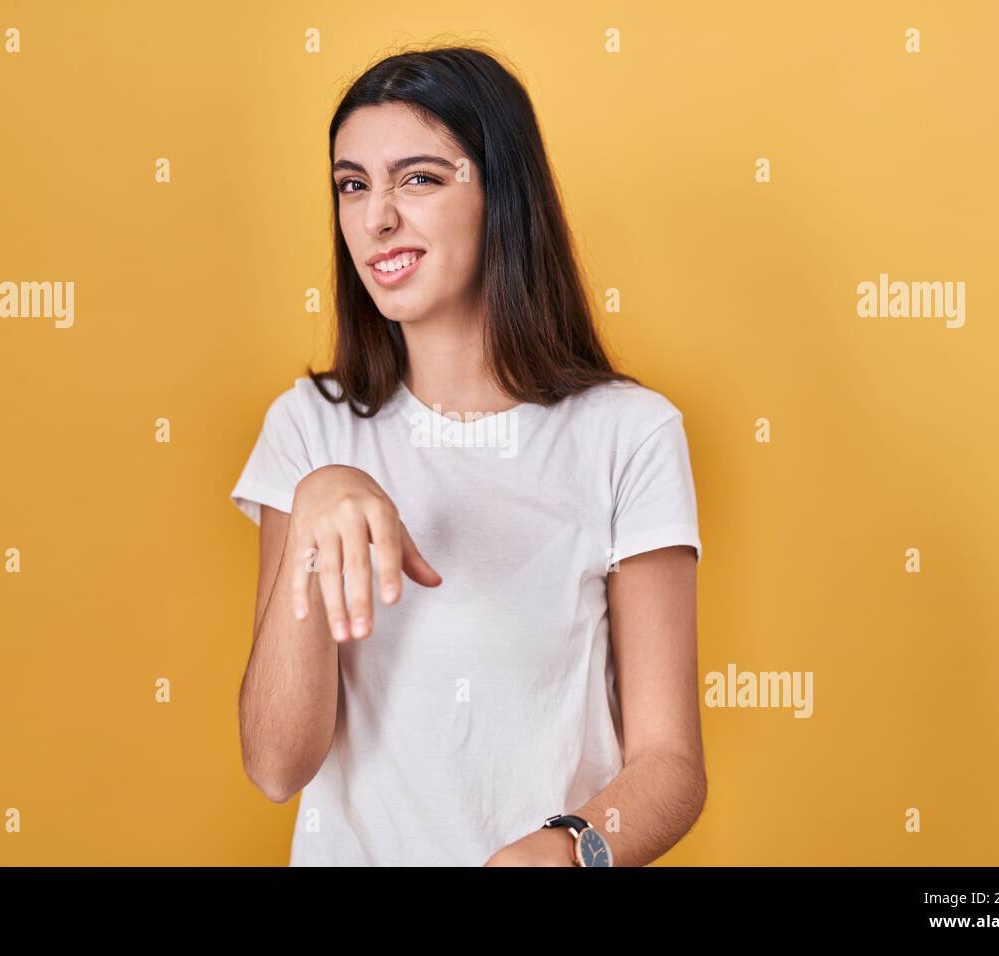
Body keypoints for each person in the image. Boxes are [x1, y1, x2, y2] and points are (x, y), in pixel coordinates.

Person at [231, 44, 706, 866]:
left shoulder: (631, 434)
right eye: (353, 185)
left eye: (418, 178)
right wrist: (317, 502)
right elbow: (277, 765)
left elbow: (669, 764)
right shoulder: (307, 427)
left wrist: (567, 851)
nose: (376, 218)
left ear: (503, 196)